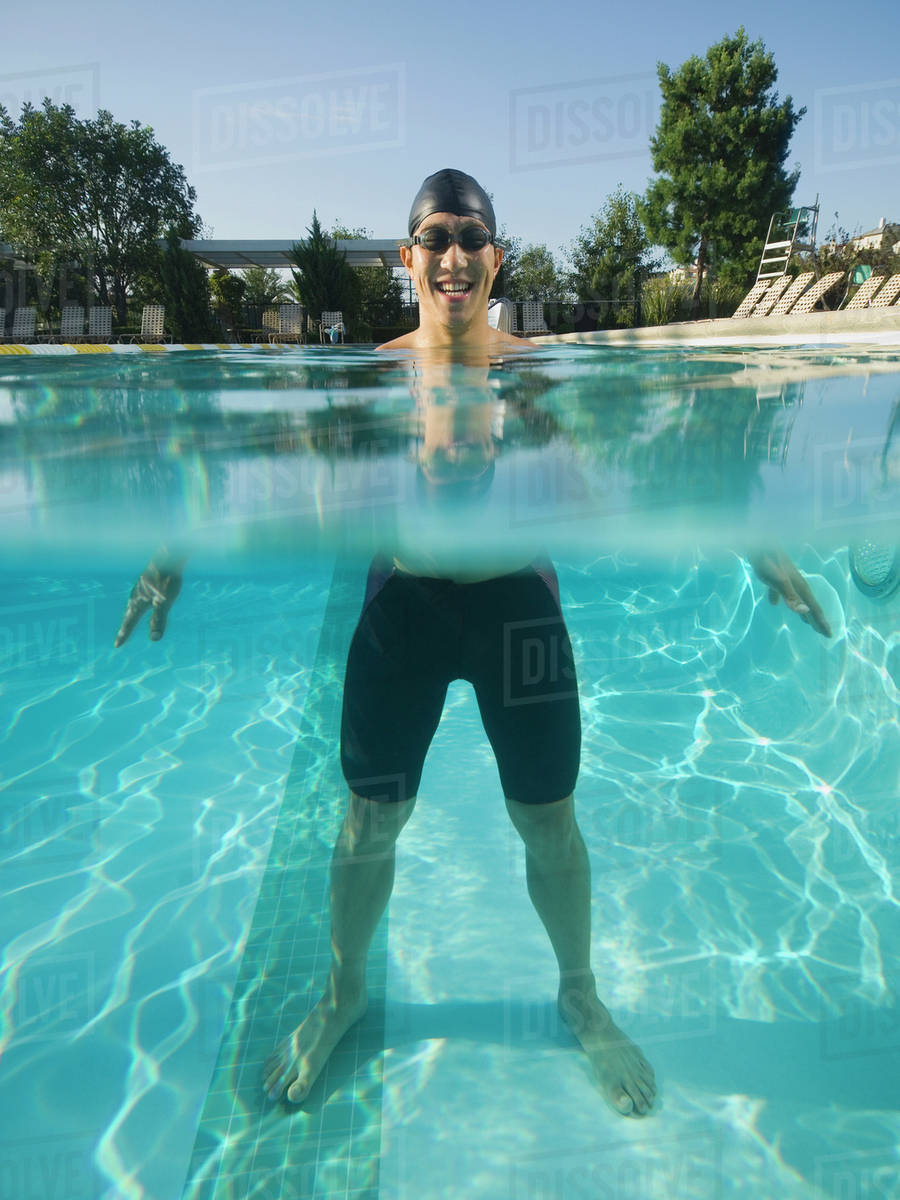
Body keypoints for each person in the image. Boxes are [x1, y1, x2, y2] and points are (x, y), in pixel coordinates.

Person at [116, 169, 831, 1120]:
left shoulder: (535, 380)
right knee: (369, 825)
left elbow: (648, 466)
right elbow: (250, 465)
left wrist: (757, 542)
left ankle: (579, 993)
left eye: (473, 238)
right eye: (436, 237)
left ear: (496, 257)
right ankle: (343, 993)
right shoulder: (373, 379)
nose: (454, 256)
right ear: (410, 256)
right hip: (401, 610)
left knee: (549, 824)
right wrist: (170, 552)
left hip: (515, 616)